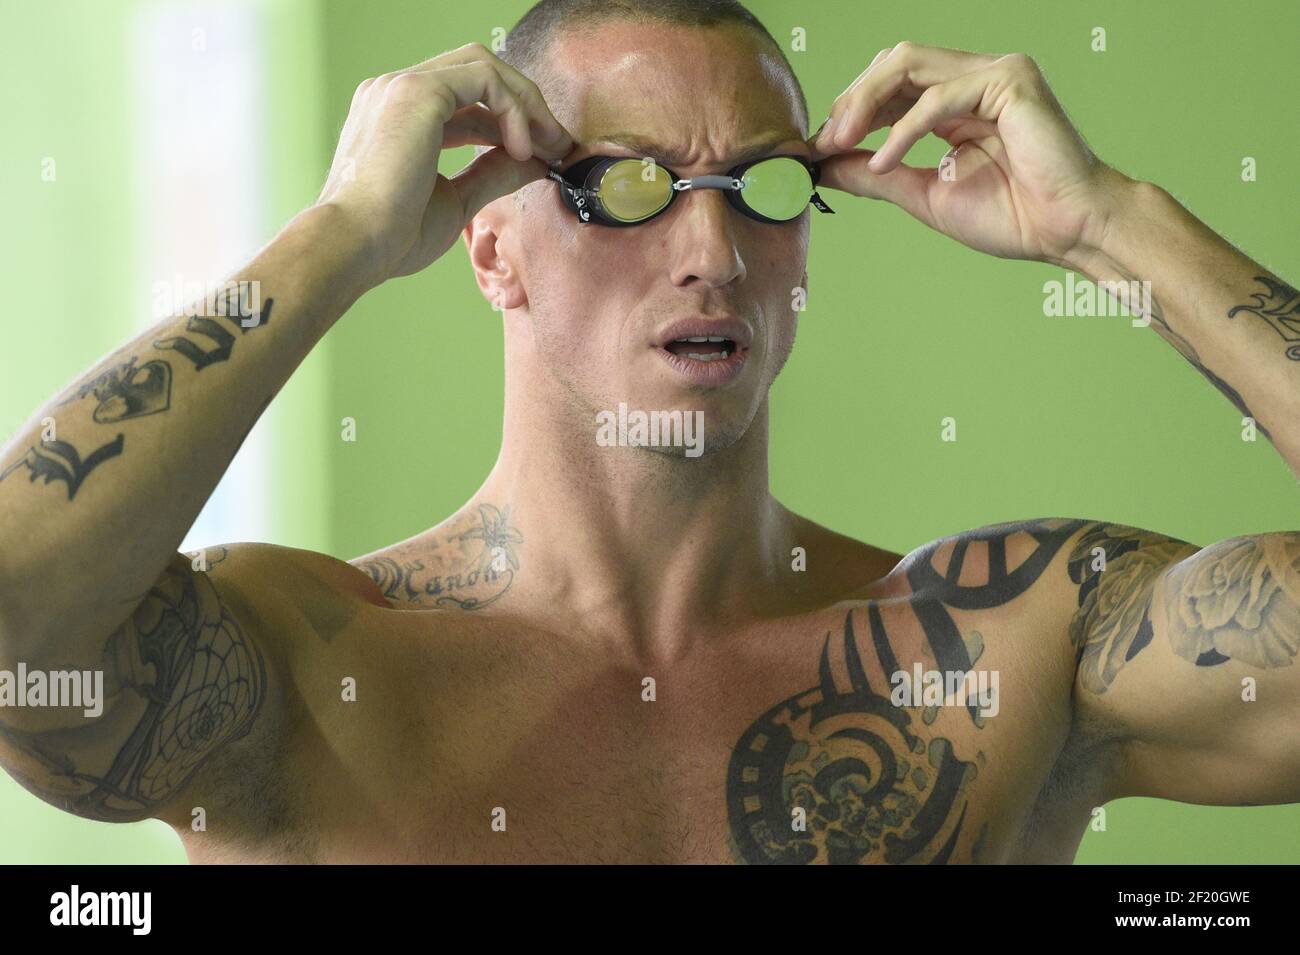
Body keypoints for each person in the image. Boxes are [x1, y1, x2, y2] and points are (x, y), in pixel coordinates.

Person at [0, 0, 1295, 864]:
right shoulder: (308, 672)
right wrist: (340, 237)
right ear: (488, 244)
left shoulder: (997, 653)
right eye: (628, 187)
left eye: (761, 189)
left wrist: (1109, 224)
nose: (711, 252)